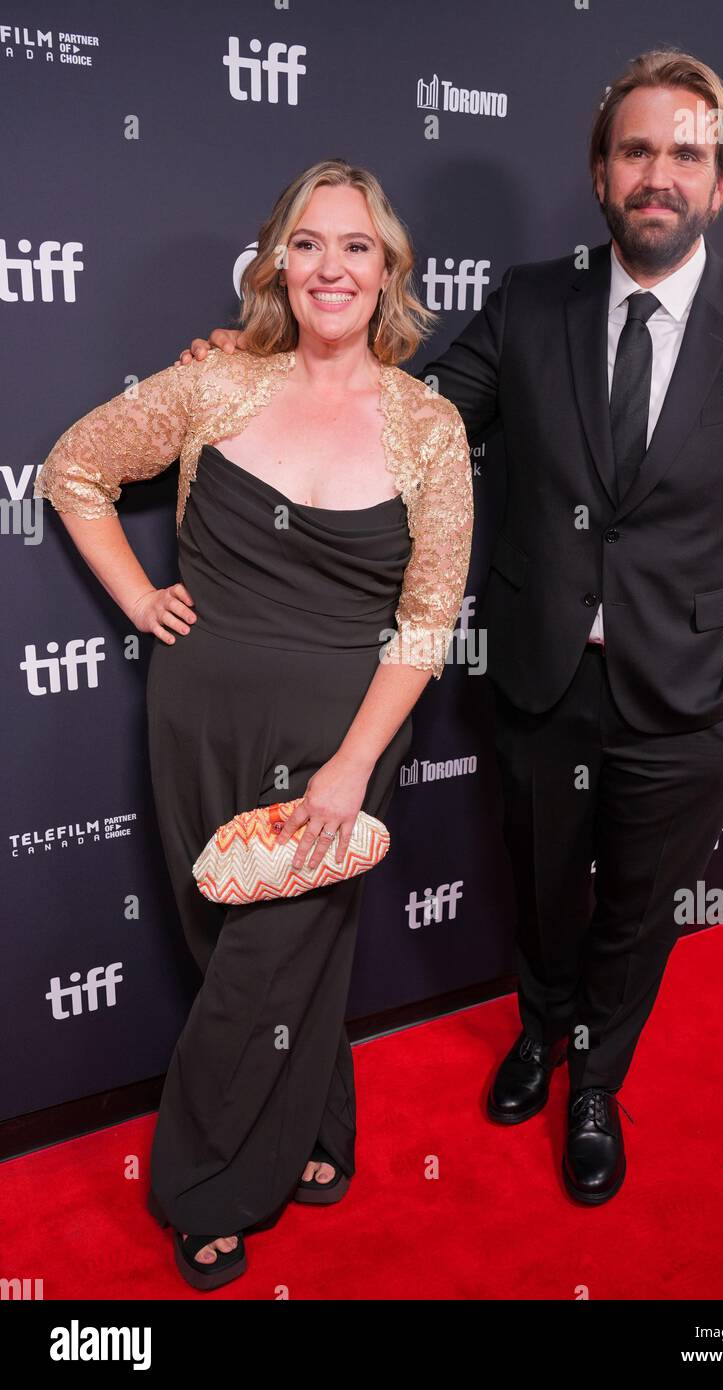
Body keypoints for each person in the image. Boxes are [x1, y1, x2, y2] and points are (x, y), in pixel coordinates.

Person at [181, 51, 723, 1207]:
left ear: (721, 181)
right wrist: (262, 373)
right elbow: (408, 414)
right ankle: (539, 1031)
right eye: (635, 150)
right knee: (540, 894)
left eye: (685, 153)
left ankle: (595, 1076)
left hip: (694, 698)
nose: (657, 174)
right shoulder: (534, 301)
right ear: (599, 173)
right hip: (539, 681)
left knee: (638, 916)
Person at [34, 158, 472, 1288]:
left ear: (388, 272)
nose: (332, 266)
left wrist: (353, 764)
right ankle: (322, 1129)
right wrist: (137, 598)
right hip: (198, 716)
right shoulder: (215, 385)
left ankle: (201, 1185)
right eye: (310, 243)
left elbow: (426, 623)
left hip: (344, 737)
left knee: (266, 957)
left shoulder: (428, 427)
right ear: (280, 260)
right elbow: (74, 468)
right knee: (241, 946)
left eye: (356, 247)